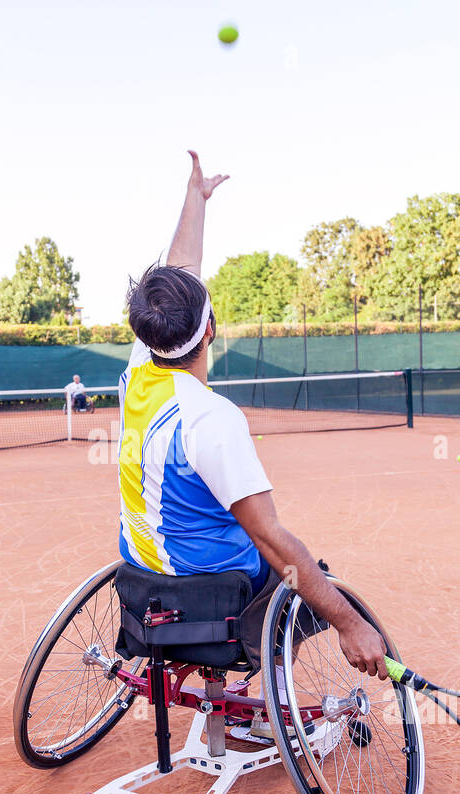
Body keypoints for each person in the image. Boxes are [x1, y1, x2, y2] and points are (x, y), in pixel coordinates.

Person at [118, 151, 389, 708]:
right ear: (211, 329)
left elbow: (179, 274)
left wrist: (196, 197)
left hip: (142, 574)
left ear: (150, 331)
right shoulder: (213, 420)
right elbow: (271, 540)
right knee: (301, 579)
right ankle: (267, 695)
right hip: (214, 590)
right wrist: (349, 622)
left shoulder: (137, 376)